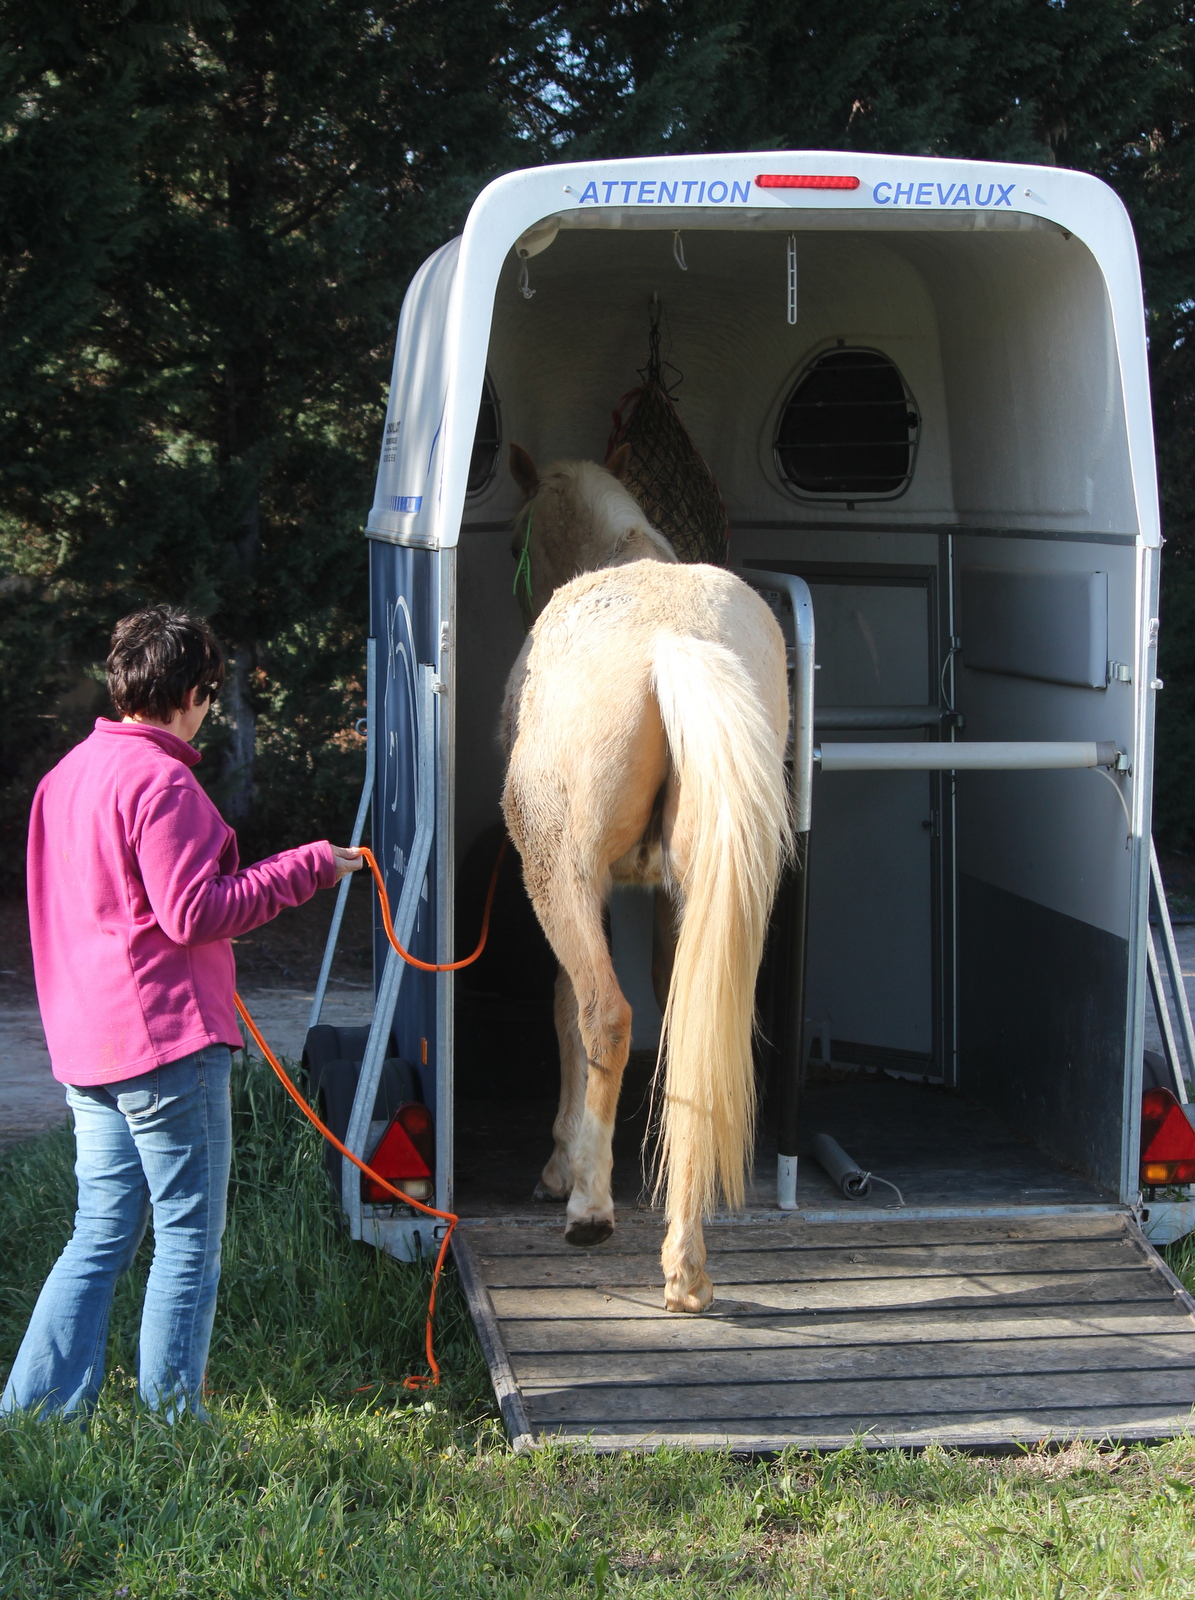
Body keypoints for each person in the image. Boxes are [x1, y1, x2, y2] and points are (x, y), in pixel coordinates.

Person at [1, 605, 363, 1421]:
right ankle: (173, 1423)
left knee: (99, 1232)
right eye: (209, 691)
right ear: (195, 693)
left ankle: (34, 1414)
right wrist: (309, 866)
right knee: (188, 1237)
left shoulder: (65, 777)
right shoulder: (163, 782)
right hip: (164, 1043)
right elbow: (194, 913)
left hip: (88, 1047)